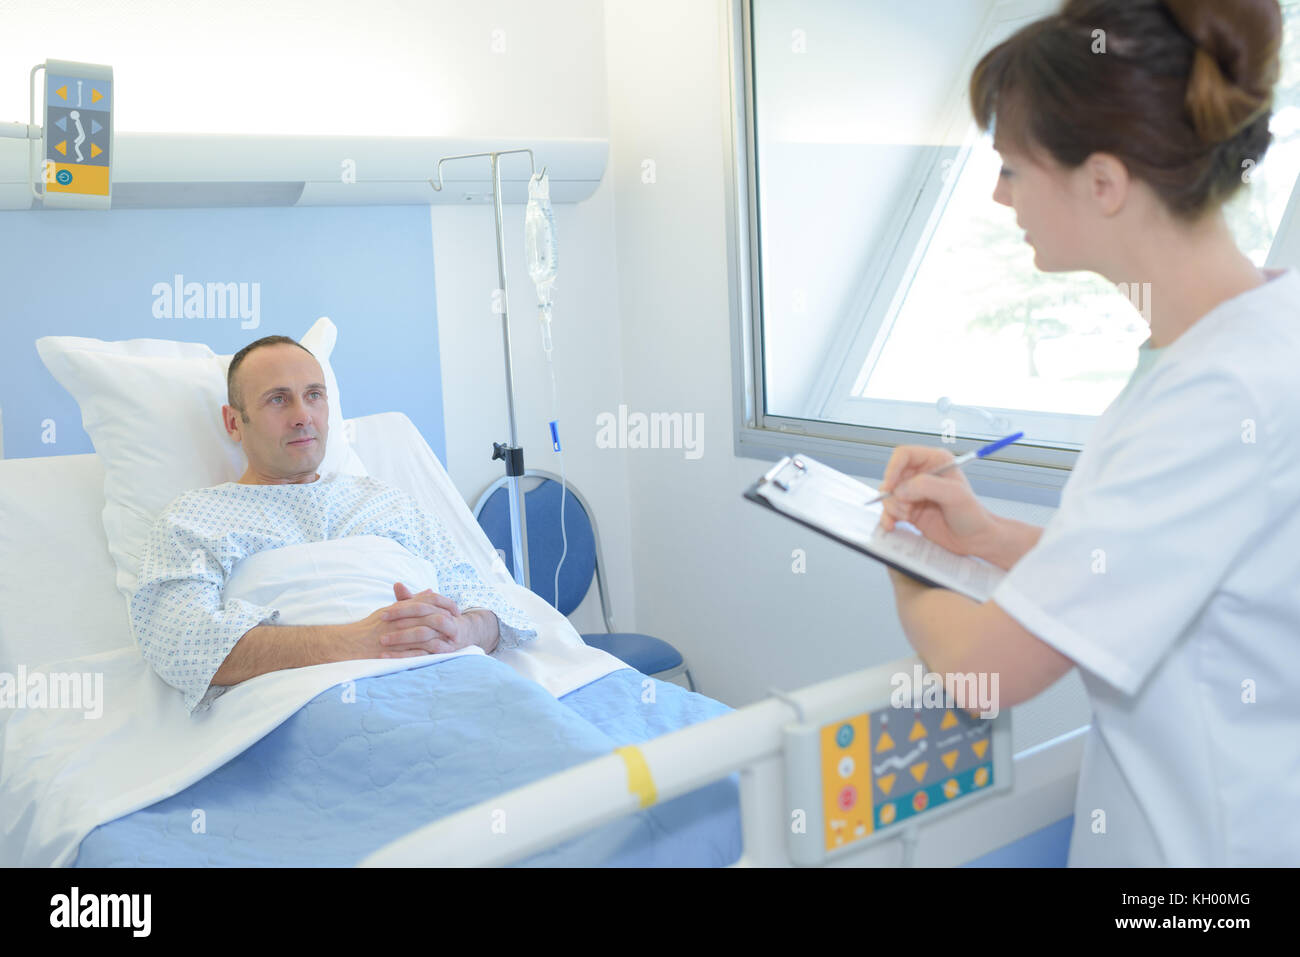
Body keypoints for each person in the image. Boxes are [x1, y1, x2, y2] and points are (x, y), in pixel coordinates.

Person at [875, 0, 1298, 866]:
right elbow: (1170, 569)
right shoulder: (1262, 331)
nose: (999, 196)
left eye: (1011, 167)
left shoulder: (1208, 397)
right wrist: (987, 538)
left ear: (1103, 182)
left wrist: (898, 556)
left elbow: (984, 675)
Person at [130, 335, 537, 714]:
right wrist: (357, 640)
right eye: (278, 400)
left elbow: (489, 606)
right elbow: (182, 644)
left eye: (314, 395)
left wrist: (460, 631)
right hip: (312, 707)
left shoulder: (388, 502)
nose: (302, 416)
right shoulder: (195, 520)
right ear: (234, 423)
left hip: (452, 679)